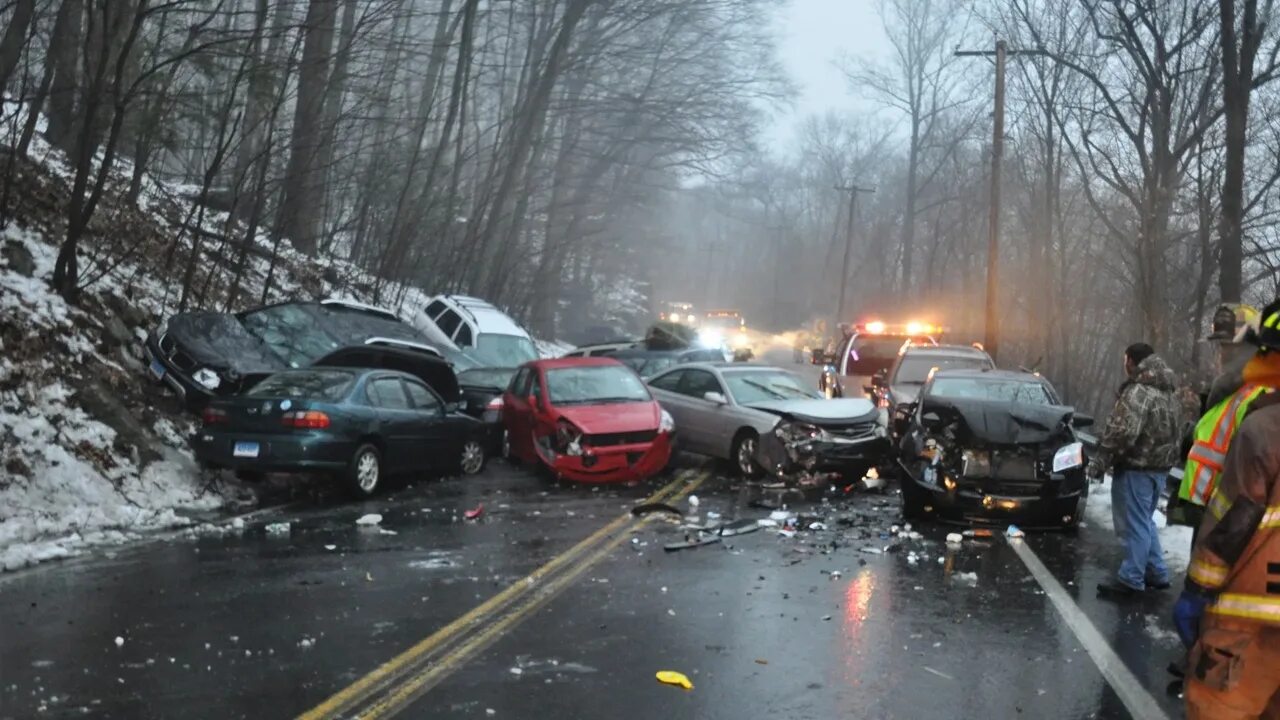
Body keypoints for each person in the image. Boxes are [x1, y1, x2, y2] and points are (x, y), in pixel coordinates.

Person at [1174, 389, 1280, 719]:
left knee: (1218, 708)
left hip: (1250, 623)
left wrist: (1196, 592)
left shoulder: (1265, 429)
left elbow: (1232, 522)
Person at [1088, 342, 1182, 598]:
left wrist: (1101, 461)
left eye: (1125, 359)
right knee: (1145, 521)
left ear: (1131, 360)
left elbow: (1123, 432)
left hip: (1136, 467)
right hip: (1160, 469)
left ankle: (1132, 578)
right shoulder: (1168, 392)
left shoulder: (1139, 392)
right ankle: (1156, 571)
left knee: (1134, 524)